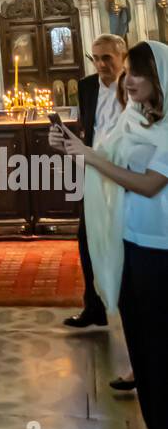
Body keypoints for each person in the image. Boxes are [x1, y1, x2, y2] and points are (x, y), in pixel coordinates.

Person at [50, 40, 168, 429]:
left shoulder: (165, 129)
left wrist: (88, 156)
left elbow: (147, 184)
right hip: (132, 244)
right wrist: (78, 148)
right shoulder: (132, 120)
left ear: (158, 79)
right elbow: (108, 157)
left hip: (161, 252)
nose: (128, 79)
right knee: (141, 351)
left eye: (137, 73)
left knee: (160, 356)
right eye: (129, 73)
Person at [64, 34, 126, 331]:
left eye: (107, 58)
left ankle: (127, 309)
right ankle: (94, 306)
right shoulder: (87, 86)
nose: (100, 64)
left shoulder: (133, 87)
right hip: (93, 171)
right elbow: (88, 126)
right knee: (87, 239)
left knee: (123, 239)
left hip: (124, 173)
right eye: (96, 58)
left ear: (122, 57)